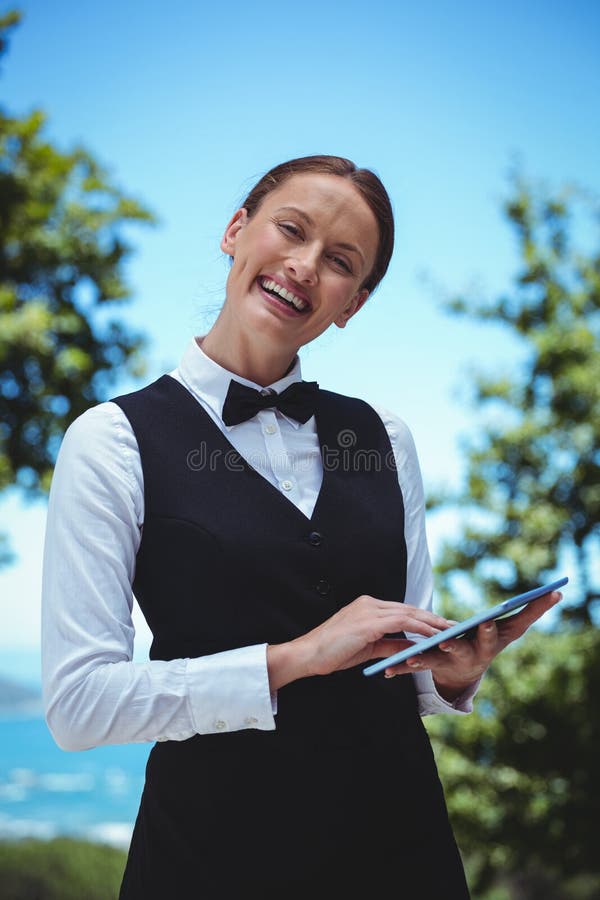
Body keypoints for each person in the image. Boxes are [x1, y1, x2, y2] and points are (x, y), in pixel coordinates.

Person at [41, 154, 562, 899]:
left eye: (341, 261)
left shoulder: (386, 437)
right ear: (235, 230)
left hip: (401, 855)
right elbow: (78, 705)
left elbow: (403, 667)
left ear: (353, 303)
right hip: (210, 862)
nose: (307, 266)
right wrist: (292, 659)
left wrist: (453, 673)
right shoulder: (111, 441)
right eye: (292, 230)